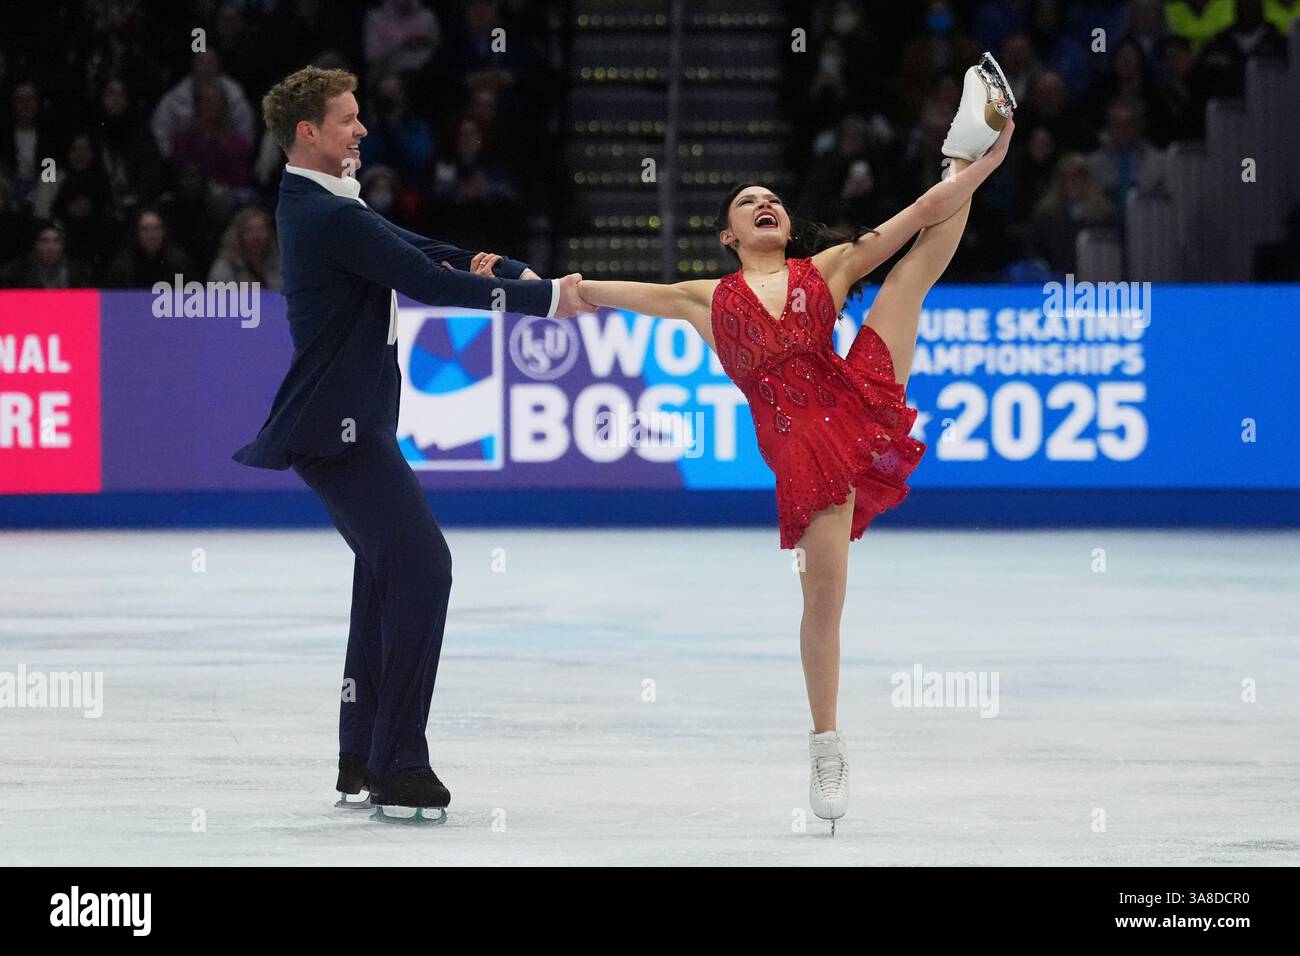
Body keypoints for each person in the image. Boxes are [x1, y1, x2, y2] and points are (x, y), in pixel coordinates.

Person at [576, 57, 1016, 833]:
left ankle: (961, 140)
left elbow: (924, 213)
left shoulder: (829, 267)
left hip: (854, 394)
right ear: (729, 234)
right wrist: (524, 286)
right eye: (749, 203)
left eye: (772, 197)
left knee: (915, 270)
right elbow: (592, 294)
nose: (765, 203)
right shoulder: (704, 299)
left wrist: (983, 165)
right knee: (824, 596)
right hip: (800, 445)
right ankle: (826, 742)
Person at [231, 65, 591, 821]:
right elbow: (424, 280)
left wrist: (498, 265)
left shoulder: (325, 201)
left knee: (388, 576)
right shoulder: (325, 212)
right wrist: (546, 299)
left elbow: (421, 249)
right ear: (307, 132)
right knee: (425, 570)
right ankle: (400, 763)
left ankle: (363, 756)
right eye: (347, 120)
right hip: (341, 430)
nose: (362, 130)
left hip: (346, 425)